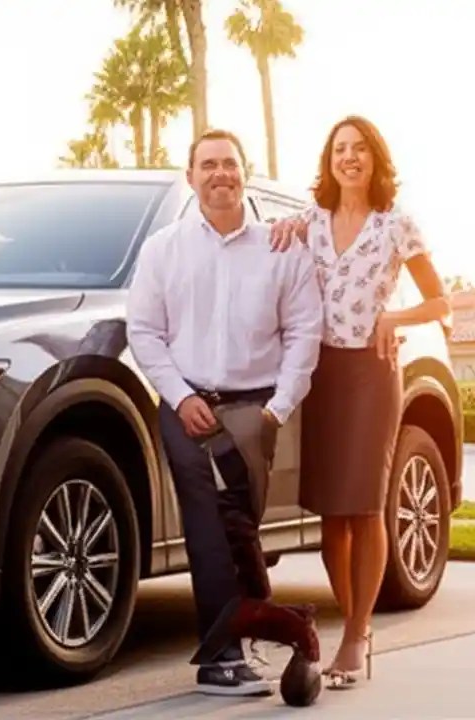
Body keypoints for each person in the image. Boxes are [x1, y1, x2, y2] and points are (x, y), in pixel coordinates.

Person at [126, 128, 325, 696]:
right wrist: (180, 396)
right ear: (190, 176)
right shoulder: (164, 249)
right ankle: (222, 658)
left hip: (254, 412)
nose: (220, 174)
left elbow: (304, 331)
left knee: (239, 527)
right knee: (208, 522)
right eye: (208, 164)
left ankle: (269, 624)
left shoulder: (281, 248)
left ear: (246, 172)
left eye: (229, 164)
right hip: (186, 405)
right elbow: (144, 331)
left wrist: (277, 410)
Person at [267, 114, 450, 688]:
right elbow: (261, 250)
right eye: (339, 149)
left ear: (375, 159)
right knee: (331, 516)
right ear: (329, 161)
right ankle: (352, 620)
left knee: (366, 505)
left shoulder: (398, 226)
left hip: (373, 372)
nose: (349, 157)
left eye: (359, 149)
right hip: (322, 374)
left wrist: (393, 317)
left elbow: (440, 303)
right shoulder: (309, 223)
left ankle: (355, 635)